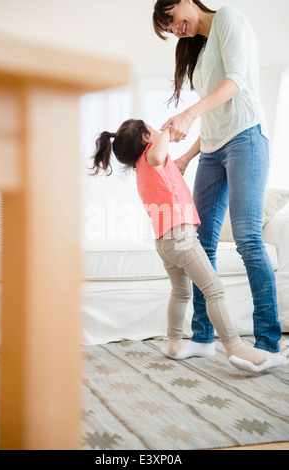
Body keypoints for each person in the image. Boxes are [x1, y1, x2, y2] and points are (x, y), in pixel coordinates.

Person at [153, 0, 282, 372]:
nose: (175, 29)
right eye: (169, 29)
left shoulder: (227, 17)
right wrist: (188, 156)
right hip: (211, 150)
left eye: (171, 19)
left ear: (183, 2)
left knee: (247, 238)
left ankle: (269, 345)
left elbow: (236, 81)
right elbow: (214, 119)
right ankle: (204, 338)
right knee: (199, 245)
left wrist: (189, 113)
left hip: (246, 140)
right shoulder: (202, 48)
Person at [90, 118, 269, 372]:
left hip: (165, 242)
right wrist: (167, 131)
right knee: (214, 289)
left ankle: (174, 342)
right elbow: (159, 150)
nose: (157, 131)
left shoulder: (144, 168)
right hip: (181, 238)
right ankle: (234, 345)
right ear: (145, 138)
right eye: (151, 129)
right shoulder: (153, 157)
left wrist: (170, 143)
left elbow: (162, 160)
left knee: (181, 292)